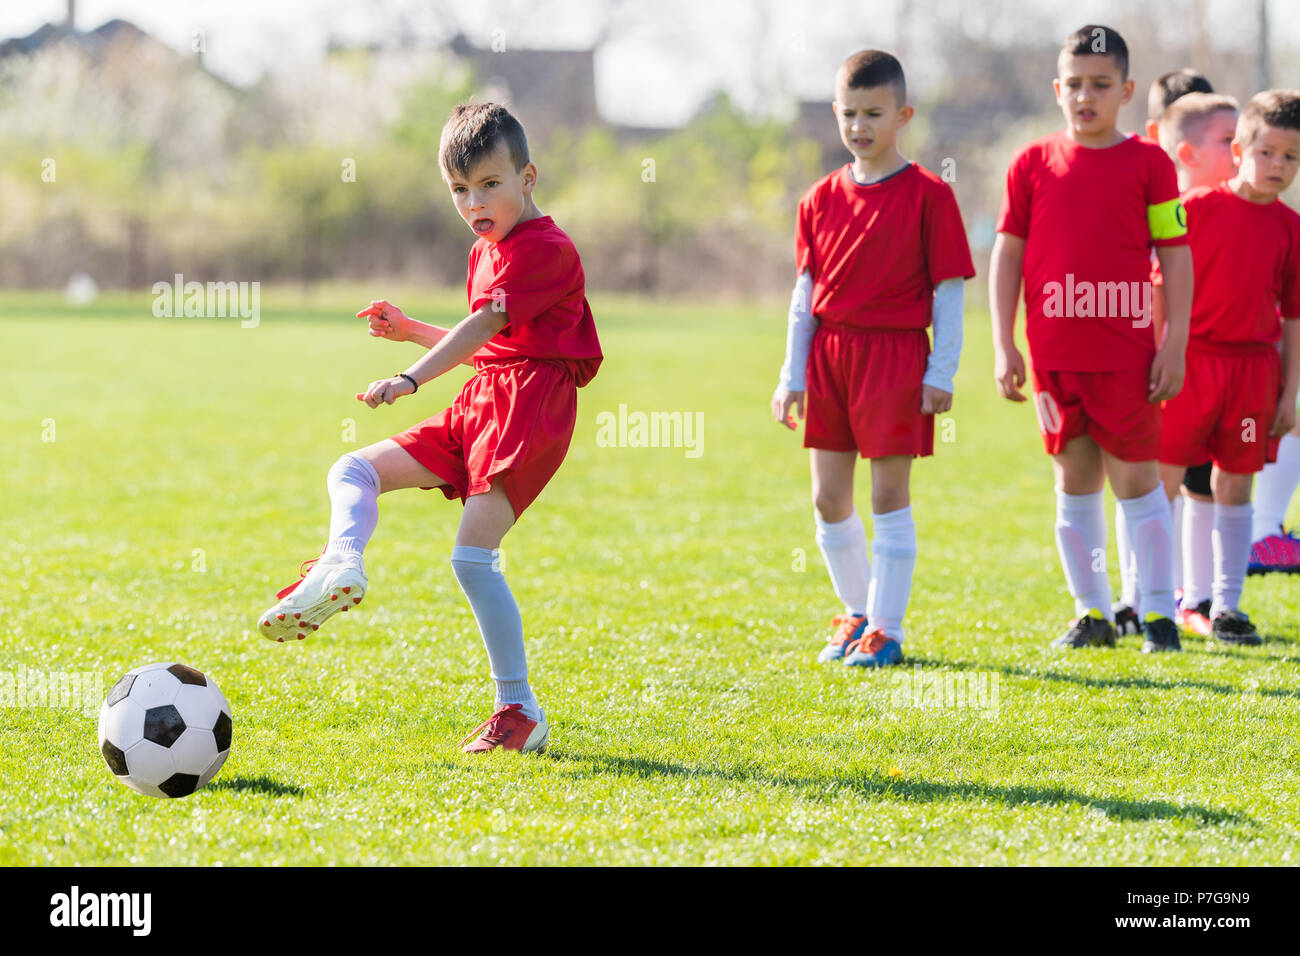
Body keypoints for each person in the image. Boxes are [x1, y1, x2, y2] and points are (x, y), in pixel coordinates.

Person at [258, 102, 602, 753]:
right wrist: (412, 330)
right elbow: (489, 347)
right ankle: (339, 564)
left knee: (472, 560)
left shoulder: (546, 248)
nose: (475, 201)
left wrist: (410, 376)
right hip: (486, 396)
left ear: (528, 178)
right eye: (460, 190)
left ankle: (518, 710)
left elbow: (489, 329)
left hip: (528, 409)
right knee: (352, 469)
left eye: (490, 184)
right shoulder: (486, 250)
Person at [990, 25, 1193, 653]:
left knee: (1137, 486)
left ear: (1126, 90)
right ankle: (1092, 614)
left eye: (1100, 85)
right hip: (1056, 361)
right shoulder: (1031, 163)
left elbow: (1177, 255)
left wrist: (1176, 338)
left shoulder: (1151, 165)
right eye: (1074, 84)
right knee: (1074, 485)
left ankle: (1158, 613)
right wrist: (1005, 342)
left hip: (1127, 359)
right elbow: (1007, 255)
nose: (1086, 96)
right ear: (1057, 89)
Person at [770, 49, 974, 668]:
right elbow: (804, 299)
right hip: (831, 358)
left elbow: (951, 292)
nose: (860, 126)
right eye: (850, 114)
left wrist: (941, 373)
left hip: (895, 358)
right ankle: (858, 613)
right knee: (828, 500)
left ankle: (887, 628)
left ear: (902, 114)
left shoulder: (930, 196)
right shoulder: (818, 199)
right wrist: (791, 375)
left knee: (888, 495)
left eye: (874, 114)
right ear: (836, 113)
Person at [1157, 89, 1300, 644]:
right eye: (1268, 152)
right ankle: (1148, 604)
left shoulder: (1291, 229)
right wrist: (1160, 354)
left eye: (1291, 157)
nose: (1278, 166)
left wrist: (1288, 393)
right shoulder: (1195, 210)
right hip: (1189, 365)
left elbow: (1292, 317)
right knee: (1161, 481)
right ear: (1239, 149)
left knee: (1233, 487)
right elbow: (1156, 291)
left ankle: (1227, 606)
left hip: (1252, 376)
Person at [1114, 72, 1220, 638]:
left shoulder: (1223, 206)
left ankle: (1190, 597)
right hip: (1152, 358)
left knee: (1197, 481)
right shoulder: (1139, 187)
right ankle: (1136, 598)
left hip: (1214, 365)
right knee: (1141, 477)